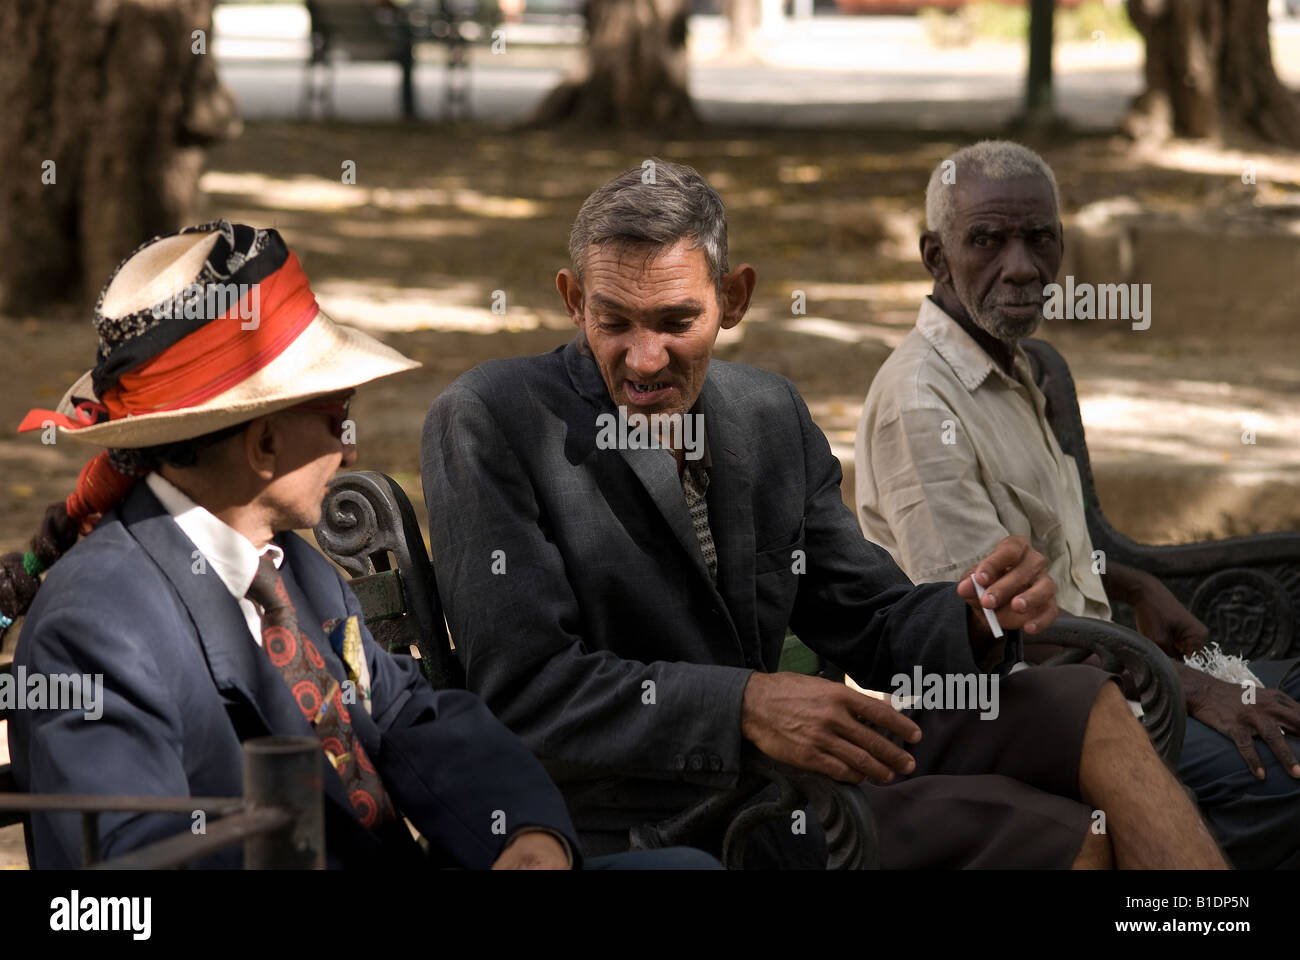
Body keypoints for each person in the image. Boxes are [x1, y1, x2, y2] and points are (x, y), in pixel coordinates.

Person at [421, 161, 1227, 868]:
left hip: (790, 776)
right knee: (1060, 834)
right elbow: (524, 692)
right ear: (571, 301)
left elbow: (872, 625)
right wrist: (743, 704)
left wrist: (981, 614)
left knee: (1084, 705)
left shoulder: (766, 416)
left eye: (676, 322)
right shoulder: (493, 418)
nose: (643, 359)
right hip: (660, 820)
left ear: (734, 299)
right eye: (614, 322)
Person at [2, 220, 715, 871]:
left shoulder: (288, 568)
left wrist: (523, 833)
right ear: (265, 441)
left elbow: (407, 713)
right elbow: (130, 875)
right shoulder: (97, 627)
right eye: (338, 415)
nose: (351, 449)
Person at [855, 139, 1300, 869]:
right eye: (987, 241)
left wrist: (1134, 584)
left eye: (1040, 239)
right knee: (1284, 781)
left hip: (1116, 668)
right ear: (936, 257)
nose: (1022, 266)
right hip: (1034, 711)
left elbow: (1046, 546)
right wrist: (1187, 685)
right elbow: (989, 626)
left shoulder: (1013, 363)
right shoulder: (920, 401)